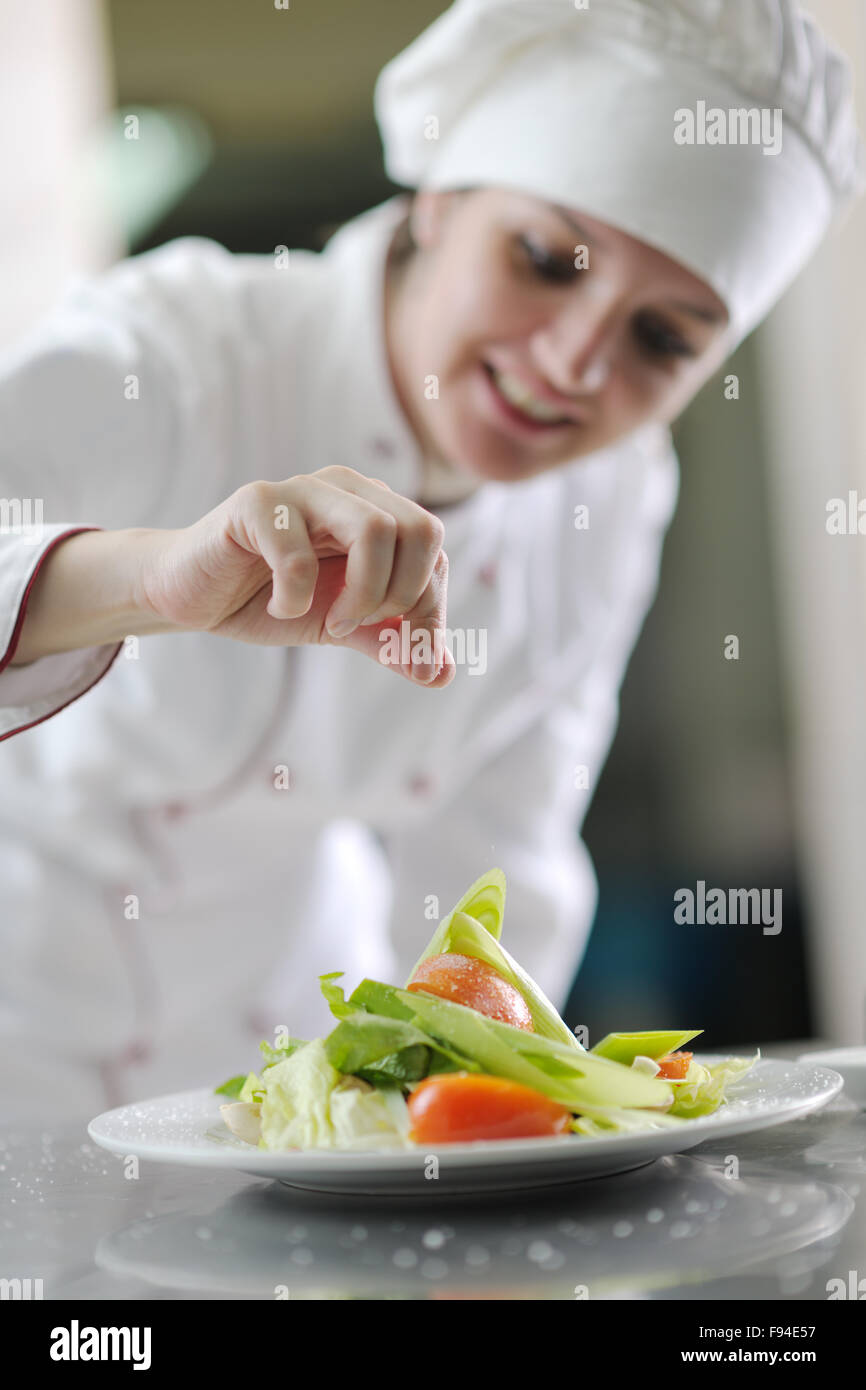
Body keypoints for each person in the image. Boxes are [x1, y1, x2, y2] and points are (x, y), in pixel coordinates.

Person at [0, 0, 861, 1121]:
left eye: (662, 337)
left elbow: (497, 867)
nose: (572, 362)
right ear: (439, 198)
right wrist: (155, 578)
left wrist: (493, 1134)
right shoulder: (180, 348)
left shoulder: (610, 488)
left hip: (253, 1107)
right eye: (547, 259)